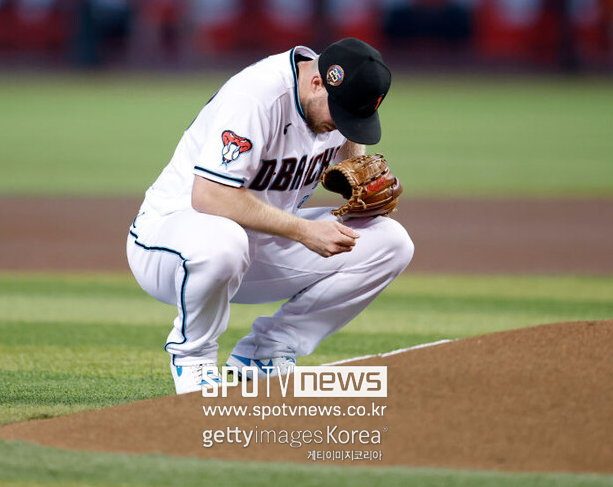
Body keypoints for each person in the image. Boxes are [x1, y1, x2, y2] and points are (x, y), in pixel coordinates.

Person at [126, 38, 415, 394]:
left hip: (257, 245)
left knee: (391, 242)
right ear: (316, 82)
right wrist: (303, 230)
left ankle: (267, 352)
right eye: (340, 114)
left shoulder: (325, 98)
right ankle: (194, 359)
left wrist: (357, 170)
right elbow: (210, 196)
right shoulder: (256, 97)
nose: (341, 125)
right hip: (170, 243)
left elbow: (345, 137)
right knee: (223, 241)